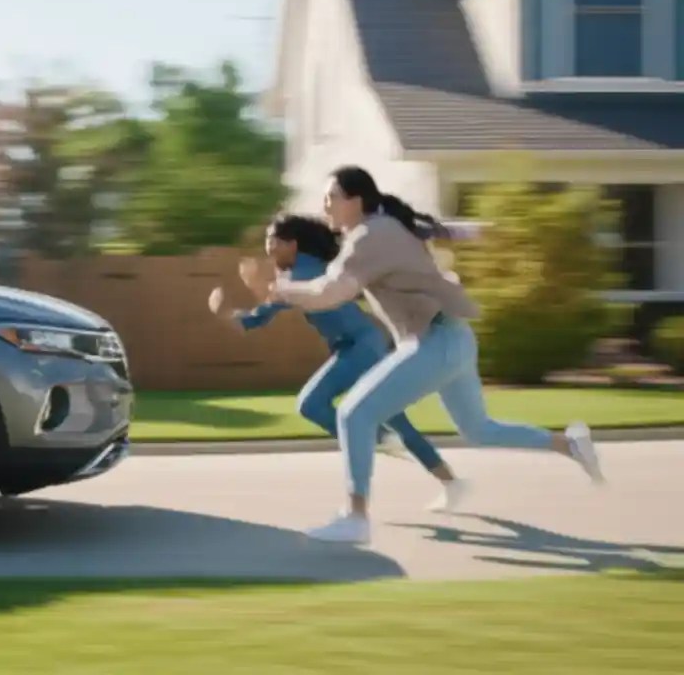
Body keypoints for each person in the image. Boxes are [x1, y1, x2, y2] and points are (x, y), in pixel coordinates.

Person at [268, 165, 603, 544]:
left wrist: (284, 291)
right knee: (479, 430)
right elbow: (441, 229)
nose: (325, 205)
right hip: (453, 338)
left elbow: (330, 293)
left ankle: (356, 517)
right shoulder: (386, 225)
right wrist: (485, 230)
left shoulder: (368, 236)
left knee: (353, 413)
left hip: (435, 342)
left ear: (355, 200)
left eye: (331, 197)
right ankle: (571, 445)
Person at [208, 214, 468, 513]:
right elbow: (259, 316)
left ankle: (376, 440)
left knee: (311, 404)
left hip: (359, 348)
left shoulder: (299, 275)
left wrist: (228, 309)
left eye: (272, 241)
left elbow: (256, 319)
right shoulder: (305, 271)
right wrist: (239, 306)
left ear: (291, 244)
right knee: (398, 421)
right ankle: (451, 482)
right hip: (365, 344)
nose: (267, 248)